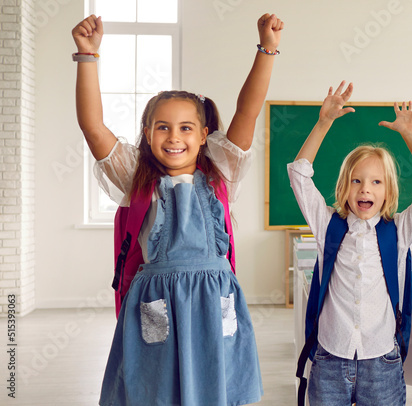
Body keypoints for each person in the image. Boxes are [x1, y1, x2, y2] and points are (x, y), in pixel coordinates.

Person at [74, 13, 283, 405]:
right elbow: (93, 127)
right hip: (157, 299)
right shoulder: (134, 176)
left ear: (205, 135)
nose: (174, 137)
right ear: (147, 133)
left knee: (216, 381)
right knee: (156, 385)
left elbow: (247, 112)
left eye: (187, 127)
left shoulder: (222, 171)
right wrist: (88, 58)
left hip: (214, 298)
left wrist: (266, 49)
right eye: (163, 127)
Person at [288, 81, 412, 406]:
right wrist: (323, 122)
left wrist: (411, 136)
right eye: (356, 181)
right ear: (344, 187)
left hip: (381, 360)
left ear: (388, 191)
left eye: (375, 182)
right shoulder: (327, 224)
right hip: (330, 358)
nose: (364, 190)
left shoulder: (397, 231)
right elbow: (300, 176)